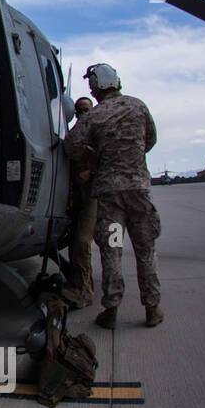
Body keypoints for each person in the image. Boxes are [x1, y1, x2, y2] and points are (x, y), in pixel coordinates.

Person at [67, 64, 163, 329]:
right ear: (117, 82)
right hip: (138, 192)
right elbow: (150, 139)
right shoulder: (138, 106)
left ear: (98, 85)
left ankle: (110, 311)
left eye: (92, 84)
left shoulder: (94, 115)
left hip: (110, 196)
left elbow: (71, 146)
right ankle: (152, 309)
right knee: (146, 250)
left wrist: (97, 155)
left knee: (112, 252)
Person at [62, 97, 96, 308]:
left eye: (86, 109)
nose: (83, 113)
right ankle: (81, 284)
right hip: (76, 196)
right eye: (79, 110)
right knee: (75, 244)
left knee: (83, 242)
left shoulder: (98, 132)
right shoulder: (73, 134)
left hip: (94, 195)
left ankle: (85, 292)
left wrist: (90, 173)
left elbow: (110, 158)